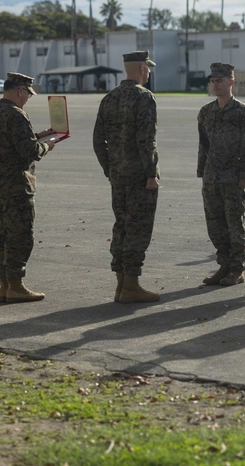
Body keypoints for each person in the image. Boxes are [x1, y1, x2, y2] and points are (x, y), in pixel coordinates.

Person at [0, 72, 58, 303]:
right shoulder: (16, 115)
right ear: (20, 91)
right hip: (17, 186)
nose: (27, 99)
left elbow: (9, 143)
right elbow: (29, 151)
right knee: (20, 236)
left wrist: (39, 135)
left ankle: (5, 285)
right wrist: (47, 145)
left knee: (3, 235)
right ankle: (16, 286)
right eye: (27, 94)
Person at [93, 51, 161, 303]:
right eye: (148, 68)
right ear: (142, 68)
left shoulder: (109, 98)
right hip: (139, 177)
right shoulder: (144, 97)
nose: (149, 72)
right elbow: (146, 140)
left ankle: (121, 285)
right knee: (138, 228)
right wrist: (151, 173)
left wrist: (110, 169)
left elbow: (98, 141)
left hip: (118, 176)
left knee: (121, 226)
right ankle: (131, 286)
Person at [198, 63, 245, 287]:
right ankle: (223, 265)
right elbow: (203, 144)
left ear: (231, 82)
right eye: (213, 81)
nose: (215, 85)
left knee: (235, 225)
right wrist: (202, 171)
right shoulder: (206, 112)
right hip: (211, 178)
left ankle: (237, 269)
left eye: (220, 81)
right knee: (215, 226)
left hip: (233, 178)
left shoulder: (242, 112)